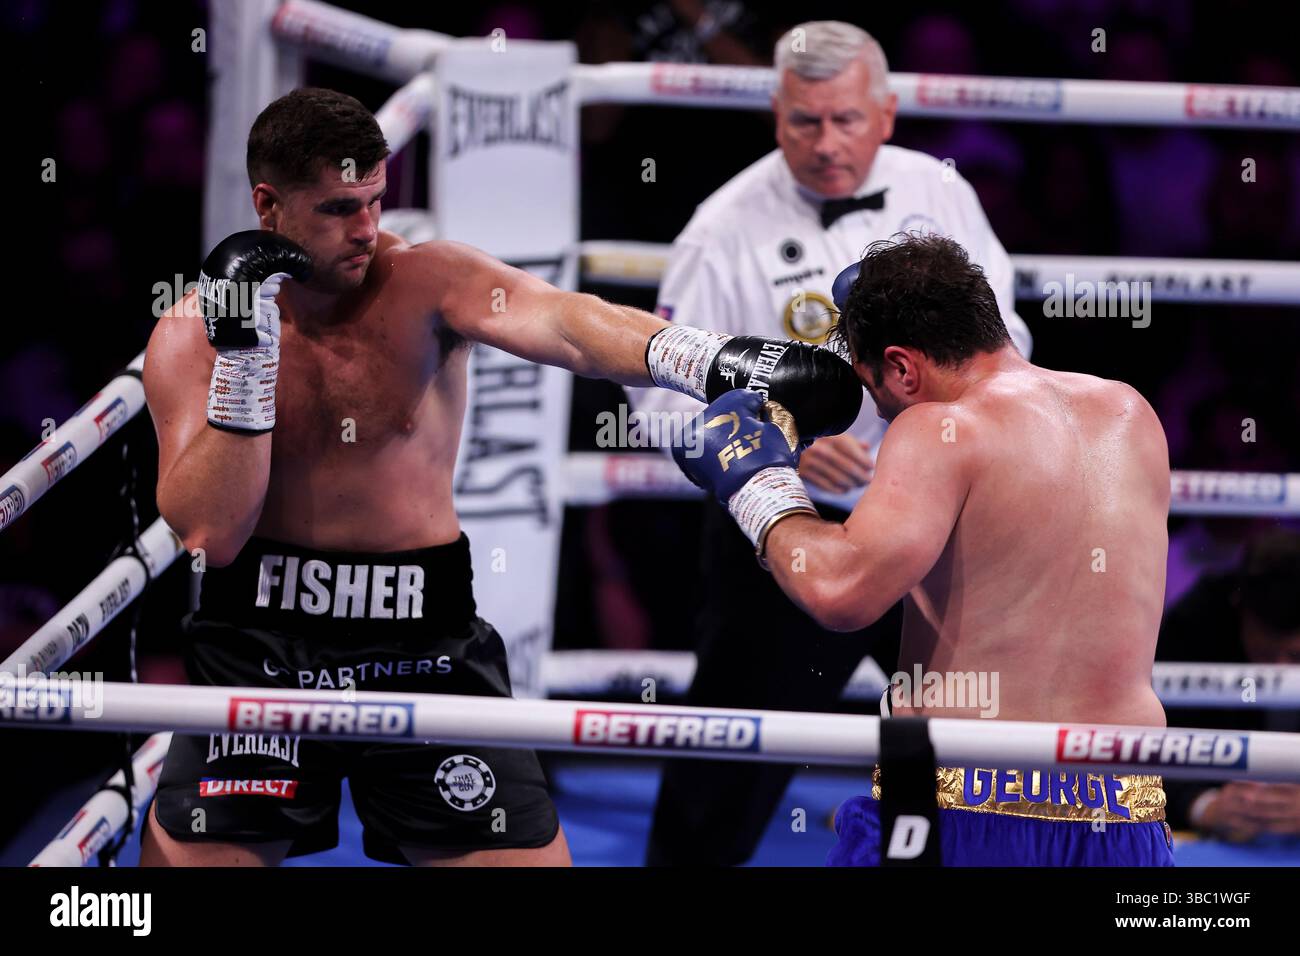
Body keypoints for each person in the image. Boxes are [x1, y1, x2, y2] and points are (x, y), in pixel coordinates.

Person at [139, 87, 858, 867]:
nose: (367, 230)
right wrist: (245, 364)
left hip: (423, 639)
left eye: (377, 202)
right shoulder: (191, 332)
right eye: (340, 209)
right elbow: (212, 530)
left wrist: (709, 360)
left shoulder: (425, 282)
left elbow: (564, 322)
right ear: (267, 205)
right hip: (258, 642)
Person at [630, 19, 1032, 866]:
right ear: (776, 114)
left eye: (846, 119)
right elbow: (656, 402)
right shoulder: (722, 225)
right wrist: (776, 447)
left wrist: (954, 440)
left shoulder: (942, 191)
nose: (826, 143)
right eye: (805, 121)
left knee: (960, 746)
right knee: (728, 761)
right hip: (789, 538)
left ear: (885, 113)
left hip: (936, 535)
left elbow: (1011, 347)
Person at [673, 233, 1175, 866]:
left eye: (872, 386)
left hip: (965, 800)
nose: (877, 409)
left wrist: (758, 483)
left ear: (904, 367)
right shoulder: (1129, 412)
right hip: (1122, 804)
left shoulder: (941, 428)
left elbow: (841, 591)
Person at [1157, 528, 1300, 839]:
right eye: (1268, 650)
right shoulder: (1194, 625)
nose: (1281, 670)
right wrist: (1203, 804)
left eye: (1296, 657)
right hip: (1219, 837)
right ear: (1240, 608)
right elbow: (1149, 742)